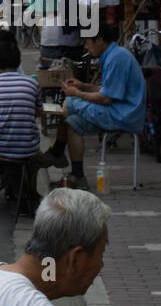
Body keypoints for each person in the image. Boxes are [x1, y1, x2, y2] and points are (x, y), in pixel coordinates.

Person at [46, 21, 147, 189]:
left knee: (69, 103)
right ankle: (77, 176)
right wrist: (83, 86)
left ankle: (57, 150)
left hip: (124, 114)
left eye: (88, 42)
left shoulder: (117, 58)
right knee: (73, 122)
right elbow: (109, 90)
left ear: (99, 40)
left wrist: (77, 94)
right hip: (116, 109)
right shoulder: (113, 55)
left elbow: (107, 99)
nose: (86, 47)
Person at [0, 38, 60, 196]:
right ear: (18, 62)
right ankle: (22, 189)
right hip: (27, 147)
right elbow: (38, 112)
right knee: (28, 153)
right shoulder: (32, 84)